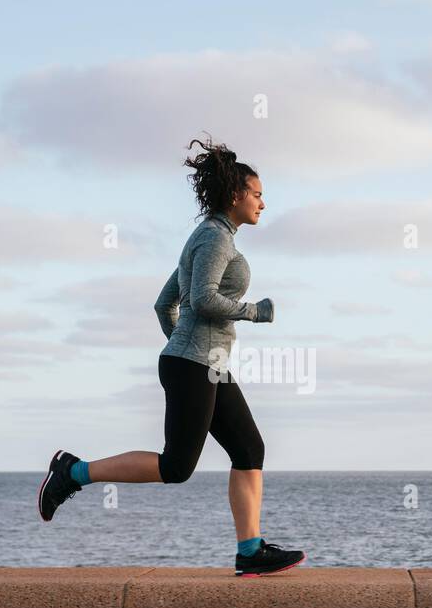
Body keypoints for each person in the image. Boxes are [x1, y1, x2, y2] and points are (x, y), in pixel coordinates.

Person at [38, 136, 307, 577]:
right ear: (236, 195)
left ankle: (251, 550)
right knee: (177, 466)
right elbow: (200, 301)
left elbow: (167, 304)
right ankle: (73, 472)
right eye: (257, 194)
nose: (263, 202)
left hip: (203, 364)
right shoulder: (214, 239)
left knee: (249, 448)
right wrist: (253, 313)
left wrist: (182, 344)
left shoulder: (207, 238)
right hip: (194, 365)